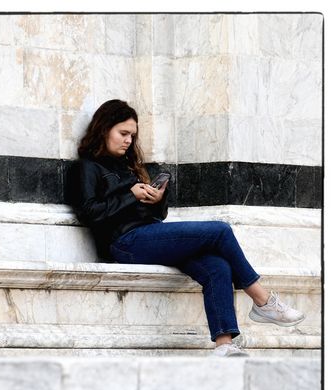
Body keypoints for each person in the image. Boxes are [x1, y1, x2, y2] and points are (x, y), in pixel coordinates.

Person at [73, 99, 305, 357]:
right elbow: (88, 212)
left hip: (148, 235)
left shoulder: (128, 166)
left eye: (132, 135)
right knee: (220, 230)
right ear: (104, 129)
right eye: (123, 133)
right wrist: (130, 195)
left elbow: (156, 217)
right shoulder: (87, 166)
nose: (128, 140)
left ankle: (224, 345)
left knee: (218, 266)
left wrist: (157, 200)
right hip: (124, 242)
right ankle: (263, 300)